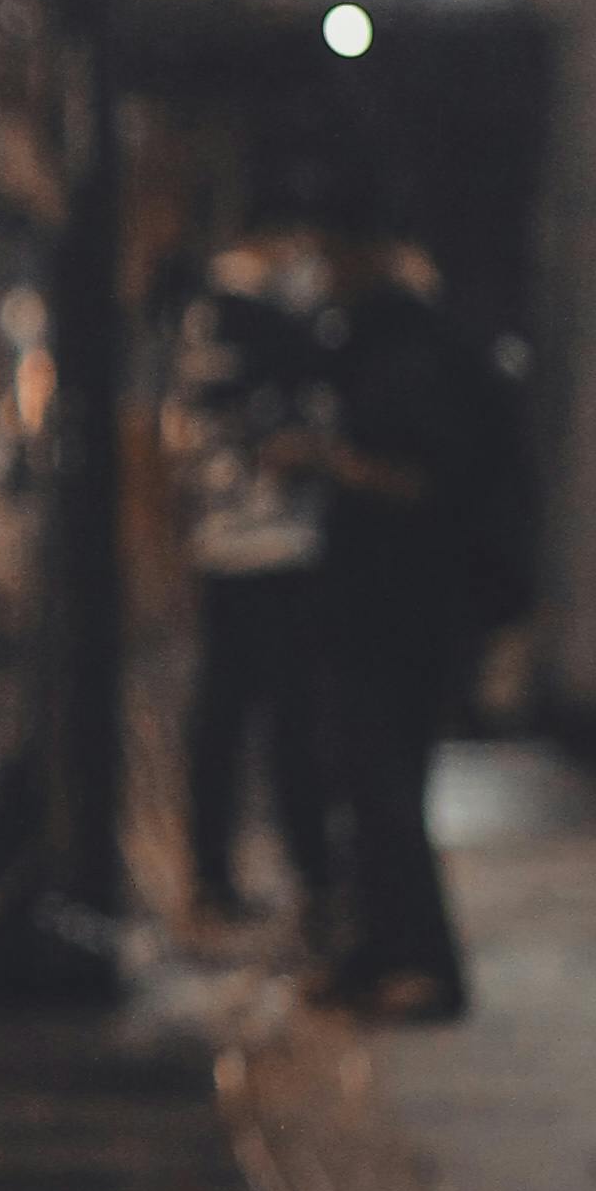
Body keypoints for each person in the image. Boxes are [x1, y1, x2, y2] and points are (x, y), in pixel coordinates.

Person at [311, 229, 479, 1021]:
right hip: (381, 614)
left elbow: (423, 483)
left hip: (400, 617)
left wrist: (331, 461)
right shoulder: (385, 351)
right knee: (368, 792)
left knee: (386, 795)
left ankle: (424, 966)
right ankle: (379, 953)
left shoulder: (413, 361)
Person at [158, 222, 335, 935]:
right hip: (276, 541)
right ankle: (308, 877)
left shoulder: (213, 310)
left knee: (229, 715)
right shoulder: (263, 307)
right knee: (284, 715)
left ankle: (217, 876)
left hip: (227, 540)